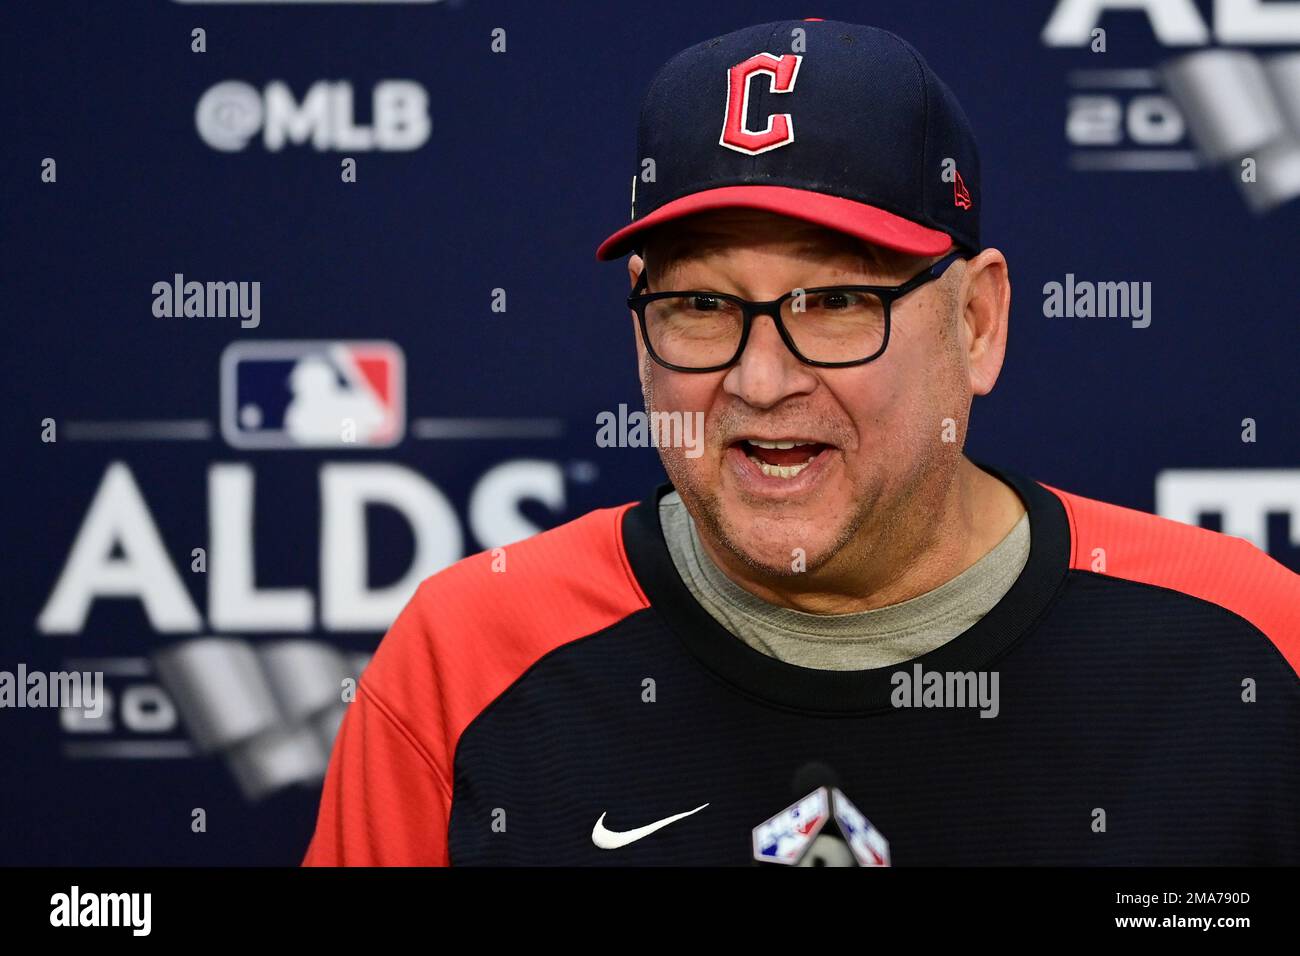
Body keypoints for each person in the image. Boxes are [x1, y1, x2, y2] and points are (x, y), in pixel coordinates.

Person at [302, 18, 1298, 866]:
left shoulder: (1249, 651)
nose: (761, 380)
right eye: (697, 303)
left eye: (835, 300)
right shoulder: (466, 659)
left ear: (978, 323)